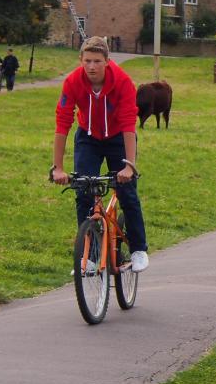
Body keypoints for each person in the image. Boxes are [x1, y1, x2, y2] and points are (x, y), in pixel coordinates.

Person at [50, 36, 149, 272]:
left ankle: (138, 249)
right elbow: (63, 122)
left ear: (107, 61)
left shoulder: (123, 82)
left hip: (118, 138)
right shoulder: (73, 81)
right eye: (87, 61)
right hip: (88, 137)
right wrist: (58, 167)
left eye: (96, 61)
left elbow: (128, 123)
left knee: (127, 193)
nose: (91, 66)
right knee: (83, 193)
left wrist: (129, 166)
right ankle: (91, 256)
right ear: (80, 61)